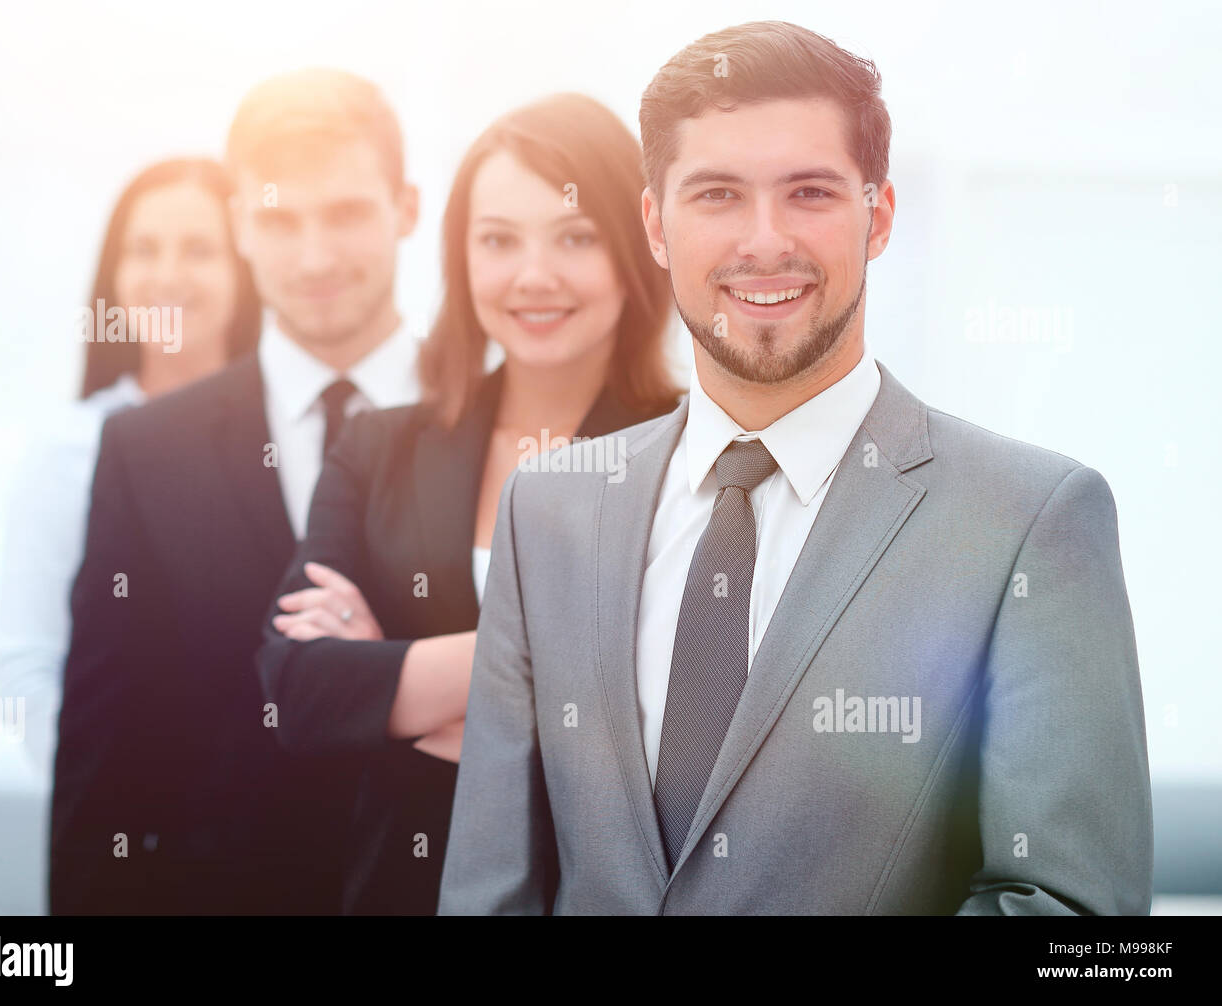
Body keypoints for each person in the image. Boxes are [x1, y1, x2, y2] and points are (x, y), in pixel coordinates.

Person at [438, 21, 1152, 915]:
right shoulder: (546, 511)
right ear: (656, 225)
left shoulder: (1029, 521)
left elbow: (1078, 926)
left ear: (878, 216)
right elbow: (488, 890)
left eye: (809, 192)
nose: (763, 241)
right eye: (717, 195)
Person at [256, 93, 681, 915]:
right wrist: (554, 684)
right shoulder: (380, 447)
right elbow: (297, 688)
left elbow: (683, 713)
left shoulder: (694, 454)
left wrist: (398, 686)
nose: (533, 276)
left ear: (638, 248)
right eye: (497, 241)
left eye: (576, 237)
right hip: (404, 886)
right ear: (460, 258)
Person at [49, 69, 421, 914]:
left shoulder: (495, 417)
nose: (315, 256)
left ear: (406, 208)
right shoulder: (145, 448)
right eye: (280, 220)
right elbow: (101, 751)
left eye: (347, 214)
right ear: (241, 228)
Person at [0, 158, 261, 778]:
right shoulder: (69, 446)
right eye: (143, 249)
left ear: (245, 271)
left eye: (199, 250)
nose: (168, 275)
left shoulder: (297, 436)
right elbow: (27, 667)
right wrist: (115, 807)